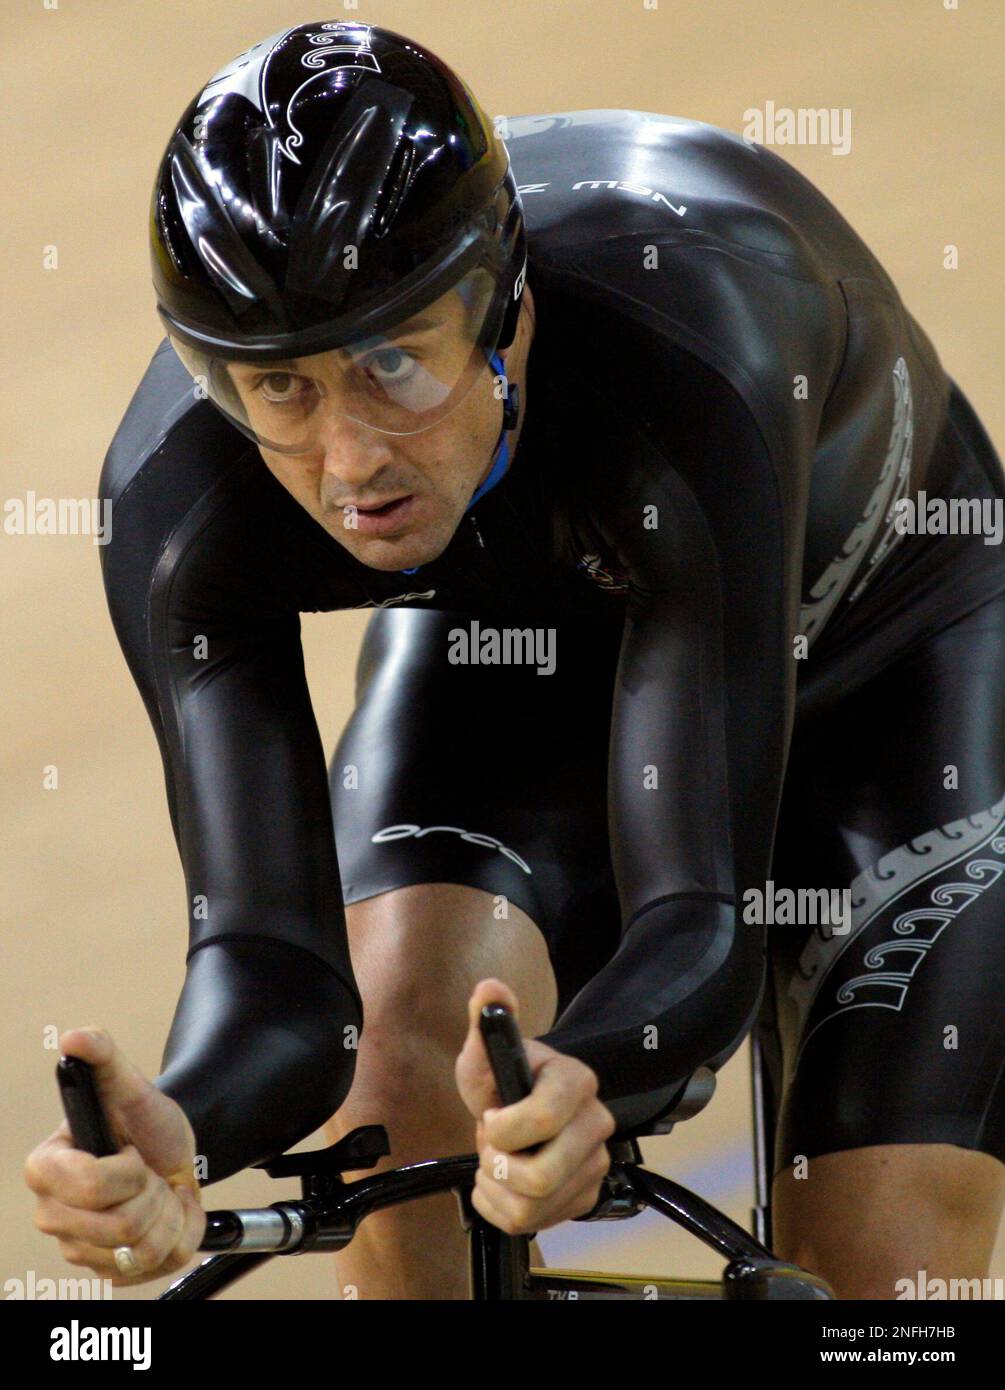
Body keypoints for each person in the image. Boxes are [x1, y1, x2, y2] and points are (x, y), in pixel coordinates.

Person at [25, 19, 1005, 1300]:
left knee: (885, 1275)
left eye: (393, 361)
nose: (351, 459)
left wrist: (588, 1072)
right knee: (397, 1094)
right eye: (283, 391)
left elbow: (695, 913)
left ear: (508, 304)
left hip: (889, 659)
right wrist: (186, 1128)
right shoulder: (182, 497)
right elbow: (270, 967)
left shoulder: (690, 344)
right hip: (530, 650)